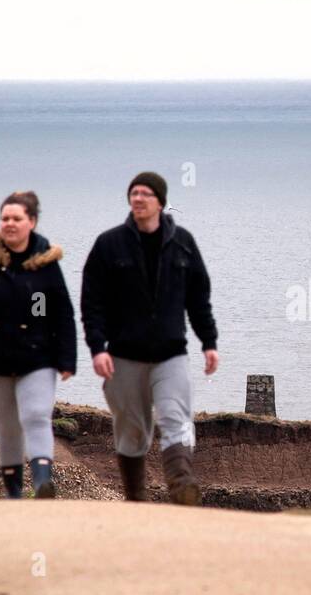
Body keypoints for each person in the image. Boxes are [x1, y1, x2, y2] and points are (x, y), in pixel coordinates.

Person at [80, 171, 218, 504]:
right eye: (134, 193)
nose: (138, 198)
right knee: (131, 430)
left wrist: (209, 342)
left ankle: (182, 485)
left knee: (175, 418)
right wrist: (98, 348)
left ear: (160, 201)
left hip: (171, 355)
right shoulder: (109, 244)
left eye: (145, 193)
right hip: (124, 356)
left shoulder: (183, 243)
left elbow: (198, 298)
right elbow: (92, 302)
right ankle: (136, 499)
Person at [0, 191, 76, 499]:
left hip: (38, 357)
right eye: (5, 218)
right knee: (7, 424)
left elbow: (62, 313)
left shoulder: (46, 264)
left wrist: (66, 359)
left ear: (31, 222)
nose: (10, 223)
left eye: (17, 218)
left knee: (36, 415)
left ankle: (43, 481)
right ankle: (13, 492)